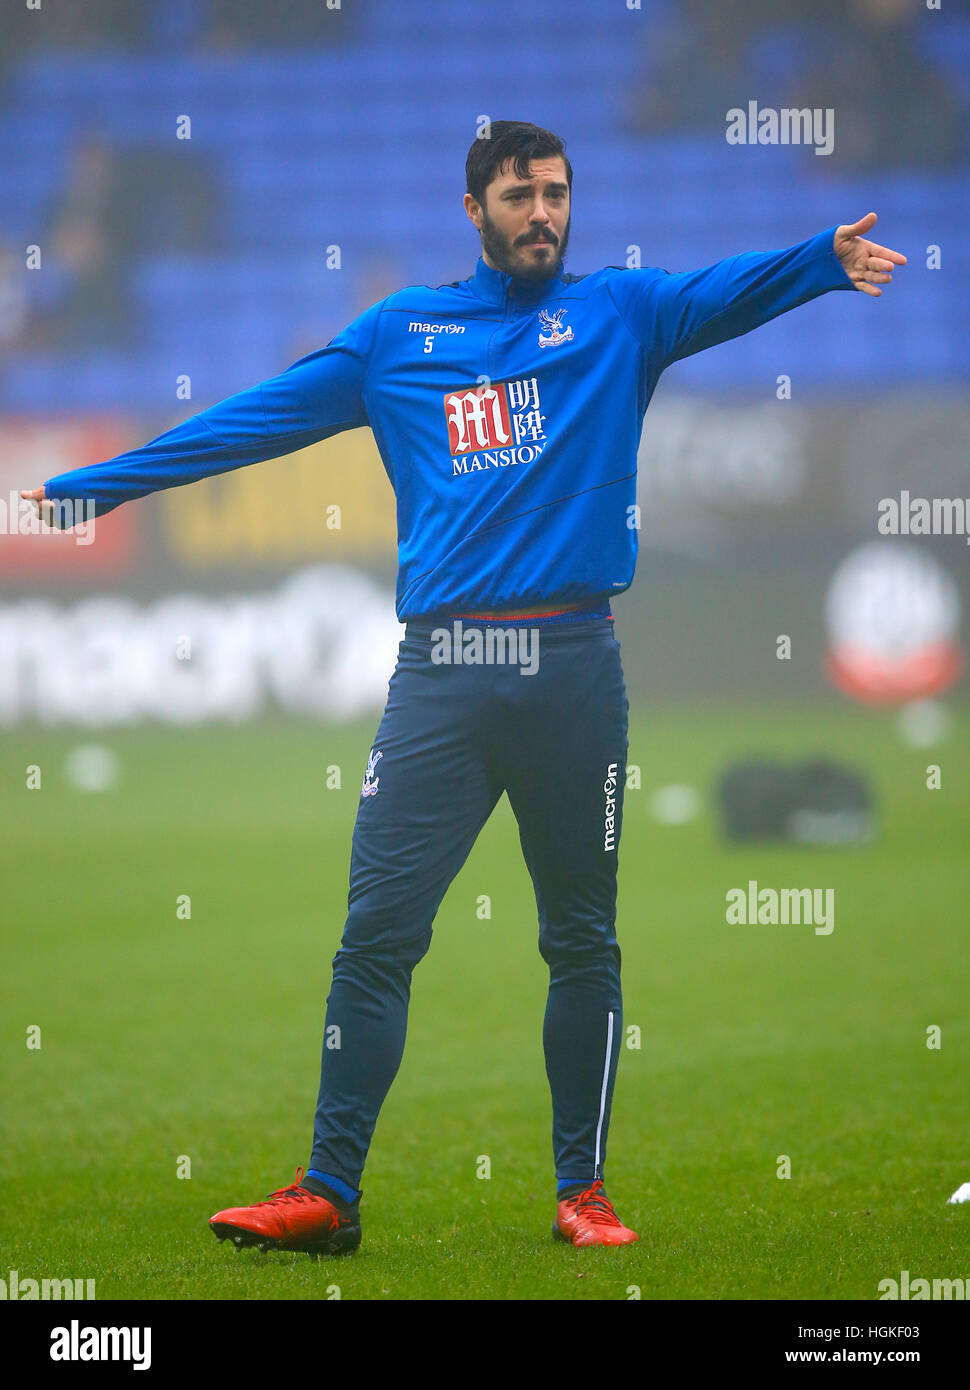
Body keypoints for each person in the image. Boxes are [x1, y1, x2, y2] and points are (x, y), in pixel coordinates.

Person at [24, 120, 906, 1256]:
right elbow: (256, 419)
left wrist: (820, 263)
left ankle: (579, 1192)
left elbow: (722, 291)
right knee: (376, 939)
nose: (543, 213)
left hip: (575, 671)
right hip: (442, 678)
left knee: (581, 941)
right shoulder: (400, 336)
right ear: (473, 210)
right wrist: (97, 488)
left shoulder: (619, 316)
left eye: (556, 194)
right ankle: (327, 1192)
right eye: (519, 195)